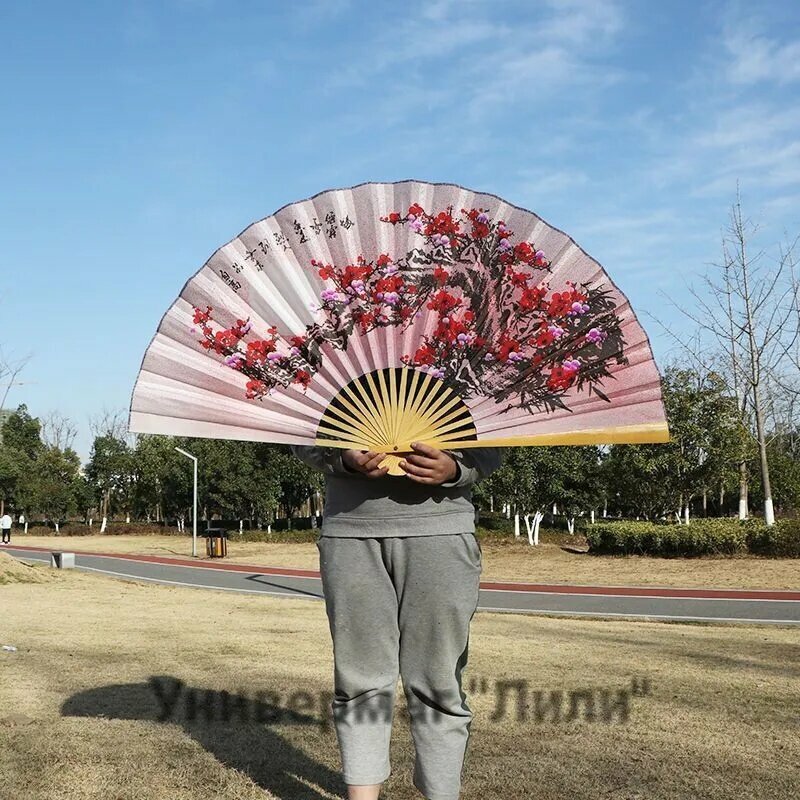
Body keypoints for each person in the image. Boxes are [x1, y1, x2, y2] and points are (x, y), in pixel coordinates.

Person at [292, 442, 503, 800]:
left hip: (441, 530)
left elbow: (499, 434)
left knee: (439, 683)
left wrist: (455, 468)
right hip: (350, 532)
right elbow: (296, 431)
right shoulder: (327, 383)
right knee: (360, 679)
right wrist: (340, 458)